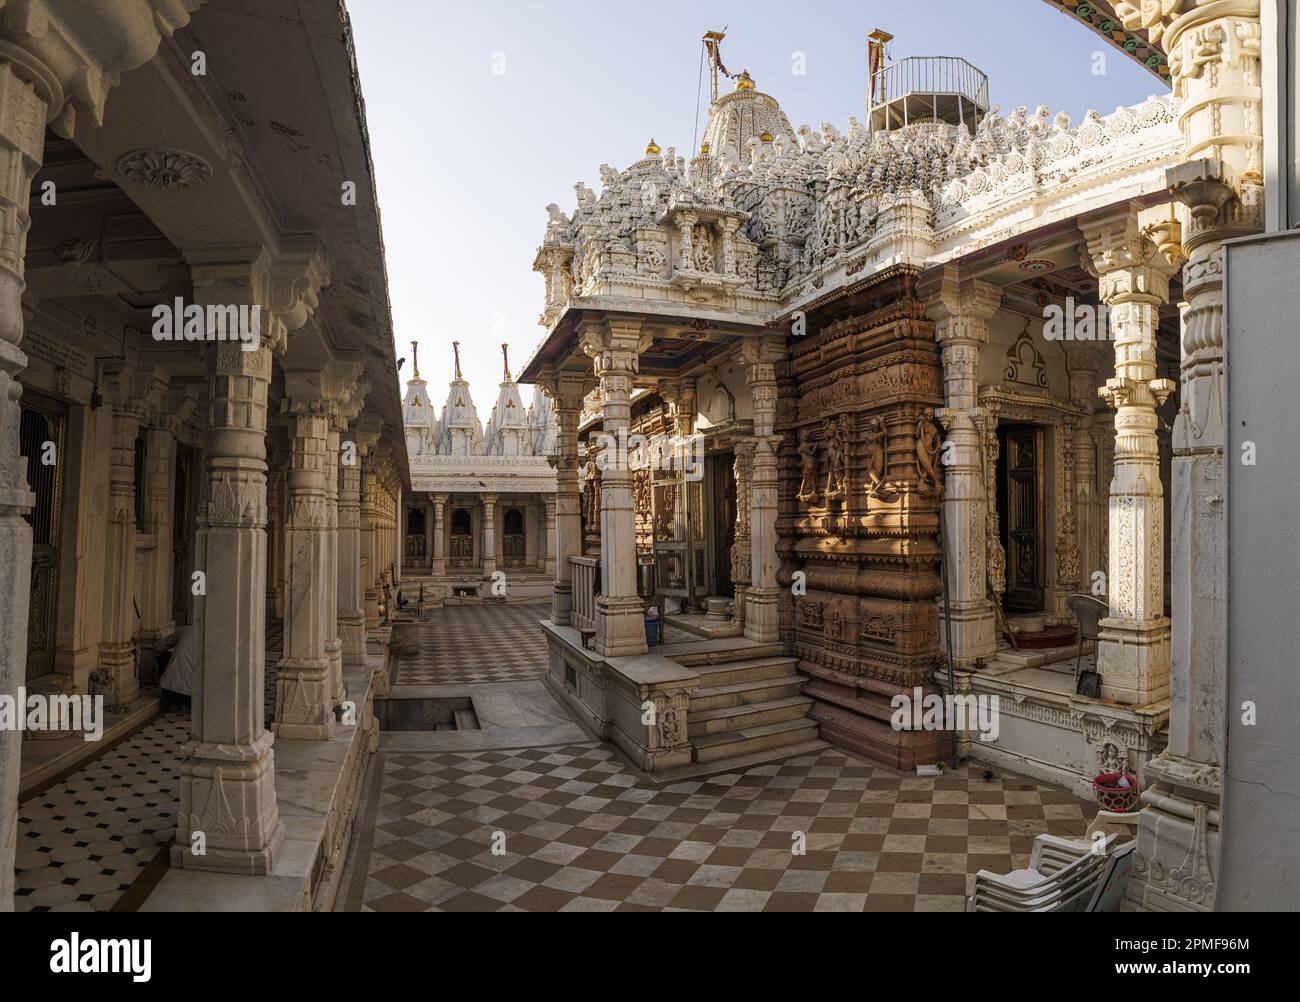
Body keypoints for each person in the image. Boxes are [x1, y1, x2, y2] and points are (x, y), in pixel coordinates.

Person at [159, 623, 200, 712]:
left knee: (164, 654)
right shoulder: (211, 639)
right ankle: (184, 705)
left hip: (168, 690)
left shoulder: (186, 629)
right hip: (192, 695)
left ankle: (172, 701)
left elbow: (160, 645)